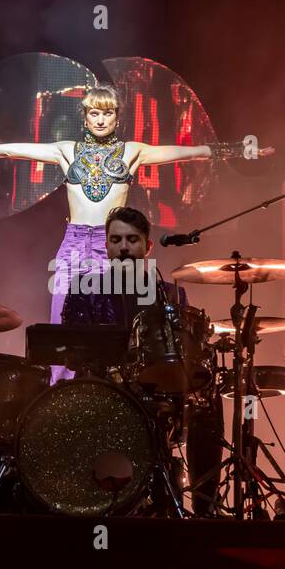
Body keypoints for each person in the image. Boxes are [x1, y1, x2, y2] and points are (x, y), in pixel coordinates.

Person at [0, 83, 272, 383]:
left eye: (107, 114)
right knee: (63, 323)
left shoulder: (132, 151)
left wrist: (239, 149)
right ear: (86, 116)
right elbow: (10, 149)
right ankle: (61, 393)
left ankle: (113, 389)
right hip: (75, 243)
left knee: (116, 322)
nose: (101, 120)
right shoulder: (66, 150)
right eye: (94, 113)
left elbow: (188, 153)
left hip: (114, 248)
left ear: (116, 117)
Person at [61, 205, 224, 516]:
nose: (123, 247)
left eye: (132, 239)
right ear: (106, 245)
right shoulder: (84, 290)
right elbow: (69, 353)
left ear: (148, 246)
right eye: (116, 239)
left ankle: (206, 506)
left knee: (208, 399)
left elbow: (181, 351)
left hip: (156, 390)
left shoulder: (168, 293)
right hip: (102, 391)